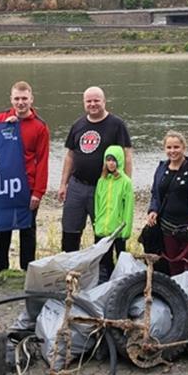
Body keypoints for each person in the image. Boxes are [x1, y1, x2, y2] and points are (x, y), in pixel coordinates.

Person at [57, 86, 133, 252]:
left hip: (104, 186)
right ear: (84, 103)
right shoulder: (78, 125)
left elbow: (126, 155)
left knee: (103, 229)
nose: (93, 104)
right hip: (77, 185)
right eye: (89, 101)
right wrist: (63, 184)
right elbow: (70, 155)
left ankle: (105, 270)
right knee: (70, 228)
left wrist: (125, 183)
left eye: (96, 100)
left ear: (104, 102)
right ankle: (70, 267)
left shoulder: (117, 125)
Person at [0, 81, 50, 281]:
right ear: (11, 99)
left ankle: (27, 271)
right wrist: (3, 127)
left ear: (31, 99)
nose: (20, 102)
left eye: (24, 99)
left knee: (27, 231)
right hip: (3, 185)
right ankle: (0, 269)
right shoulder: (0, 118)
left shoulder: (40, 126)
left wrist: (38, 192)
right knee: (1, 230)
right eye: (17, 98)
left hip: (27, 187)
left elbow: (42, 161)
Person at [147, 131, 188, 275]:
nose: (172, 151)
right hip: (167, 227)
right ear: (164, 149)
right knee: (173, 265)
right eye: (169, 147)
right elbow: (155, 193)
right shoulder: (161, 168)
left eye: (176, 147)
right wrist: (153, 210)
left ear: (184, 147)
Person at [92, 145, 135, 281]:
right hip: (103, 228)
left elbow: (128, 207)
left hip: (118, 229)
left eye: (114, 160)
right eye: (108, 160)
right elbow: (97, 204)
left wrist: (126, 229)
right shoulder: (101, 181)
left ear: (120, 161)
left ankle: (121, 281)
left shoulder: (126, 182)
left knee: (121, 256)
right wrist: (97, 222)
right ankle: (106, 281)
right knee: (105, 258)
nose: (111, 163)